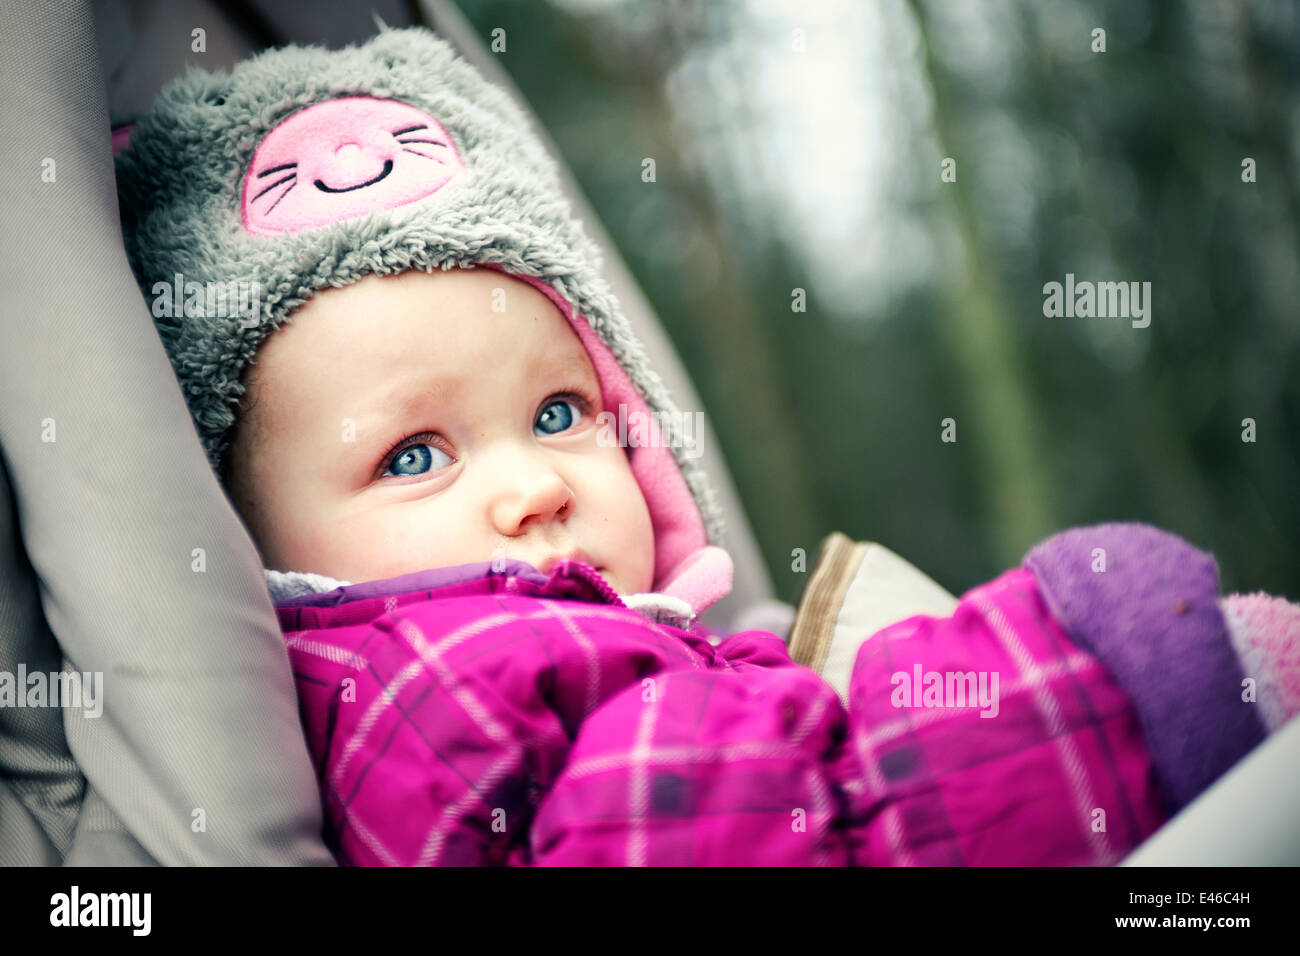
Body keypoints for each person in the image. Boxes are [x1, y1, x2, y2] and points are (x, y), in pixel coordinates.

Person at [114, 25, 1299, 865]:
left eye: (560, 412)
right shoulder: (440, 688)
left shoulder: (607, 655)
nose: (532, 484)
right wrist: (1137, 675)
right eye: (414, 456)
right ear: (252, 532)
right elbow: (774, 823)